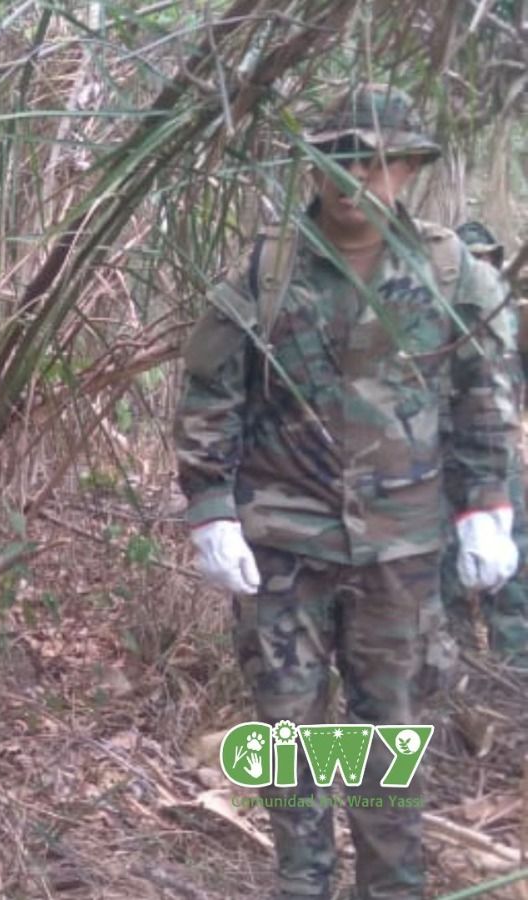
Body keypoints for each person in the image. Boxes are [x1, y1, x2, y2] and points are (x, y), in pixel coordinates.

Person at [174, 85, 519, 899]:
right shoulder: (265, 269)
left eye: (377, 160)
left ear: (407, 169)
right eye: (340, 158)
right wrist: (211, 508)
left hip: (404, 550)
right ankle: (304, 884)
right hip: (282, 547)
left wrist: (487, 506)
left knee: (388, 735)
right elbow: (210, 393)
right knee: (288, 732)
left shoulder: (451, 272)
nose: (356, 176)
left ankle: (391, 887)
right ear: (314, 166)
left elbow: (483, 393)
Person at [440, 220, 528, 665]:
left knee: (514, 564)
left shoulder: (510, 319)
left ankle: (515, 664)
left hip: (499, 461)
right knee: (445, 568)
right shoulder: (436, 314)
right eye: (473, 259)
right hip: (439, 459)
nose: (483, 267)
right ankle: (457, 669)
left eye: (489, 258)